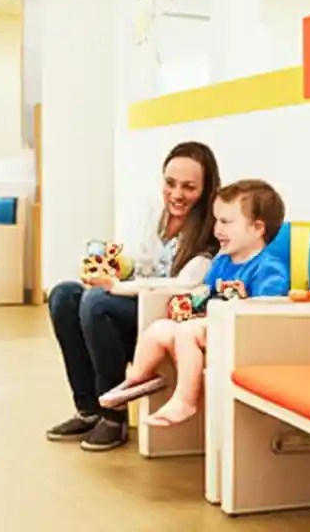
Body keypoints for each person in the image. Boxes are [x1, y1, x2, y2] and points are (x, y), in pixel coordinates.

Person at [45, 141, 221, 452]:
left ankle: (113, 417)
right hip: (132, 298)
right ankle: (88, 409)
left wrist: (114, 286)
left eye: (189, 187)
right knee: (63, 295)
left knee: (96, 302)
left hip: (163, 312)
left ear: (206, 190)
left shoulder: (209, 234)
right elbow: (138, 265)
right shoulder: (154, 214)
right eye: (170, 183)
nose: (177, 194)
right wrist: (111, 270)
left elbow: (178, 285)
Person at [100, 179, 288, 427]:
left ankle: (185, 401)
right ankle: (136, 381)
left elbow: (265, 312)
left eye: (226, 222)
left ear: (256, 228)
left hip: (242, 335)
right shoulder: (223, 262)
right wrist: (188, 303)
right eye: (216, 220)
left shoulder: (268, 268)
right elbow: (205, 293)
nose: (217, 229)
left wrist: (210, 316)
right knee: (160, 329)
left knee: (188, 331)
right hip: (211, 328)